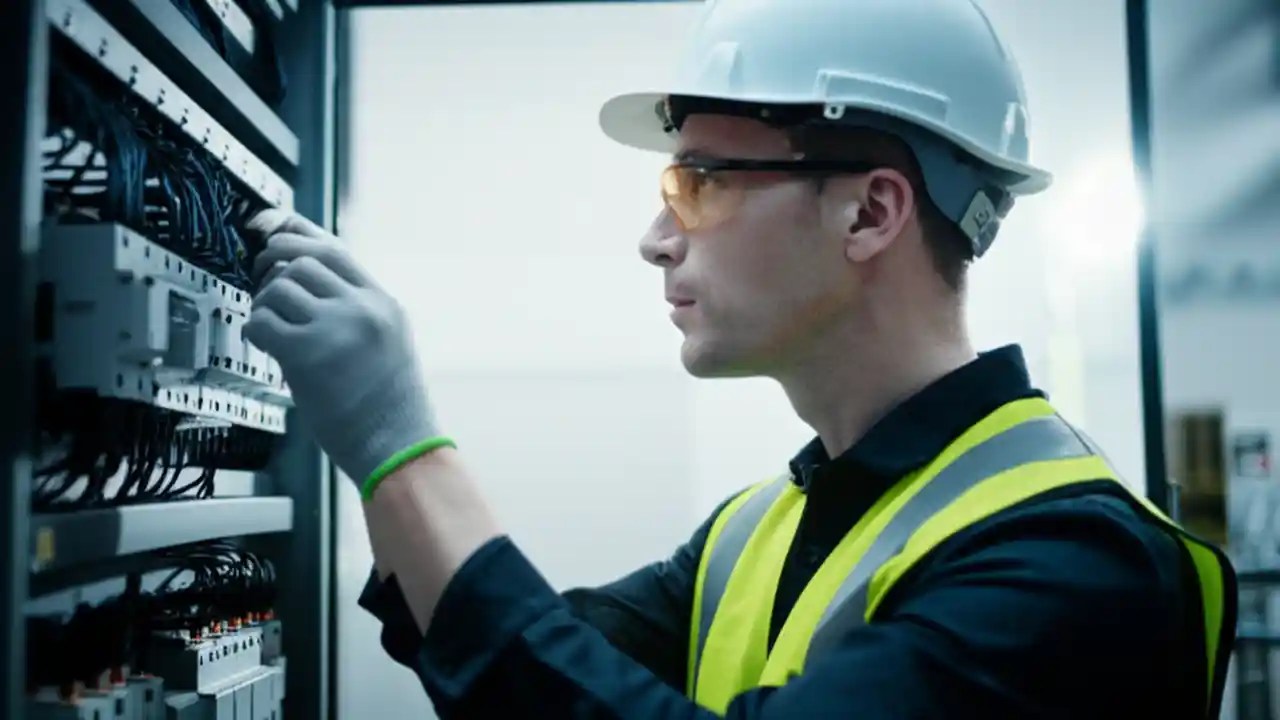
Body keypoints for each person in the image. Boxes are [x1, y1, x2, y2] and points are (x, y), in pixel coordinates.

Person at [243, 0, 1236, 717]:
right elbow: (545, 671)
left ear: (868, 211)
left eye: (700, 182)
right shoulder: (757, 531)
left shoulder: (1069, 567)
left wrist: (397, 447)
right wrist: (380, 449)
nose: (655, 238)